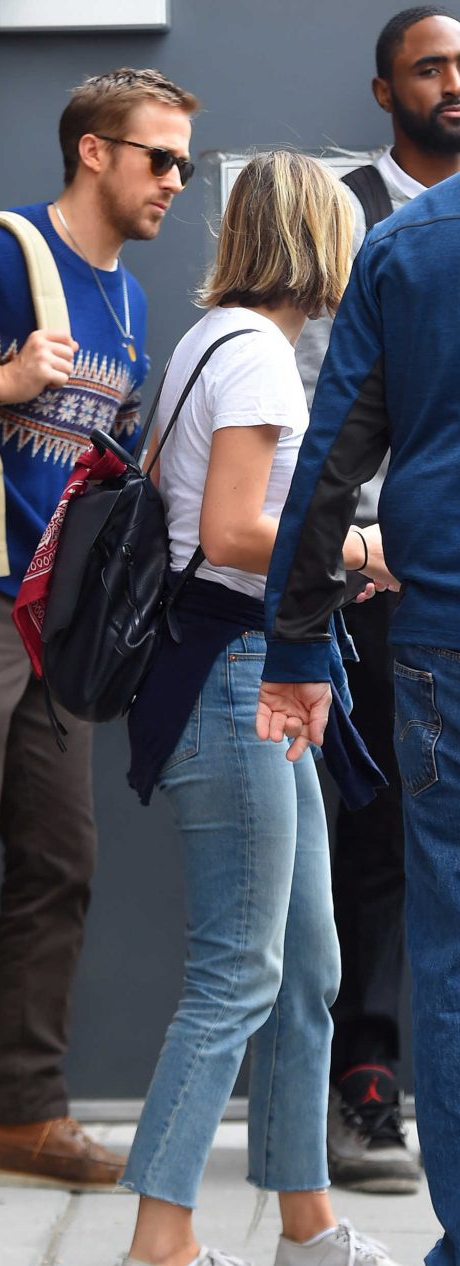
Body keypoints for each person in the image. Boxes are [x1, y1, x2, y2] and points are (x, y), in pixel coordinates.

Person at [118, 151, 401, 1266]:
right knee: (237, 971)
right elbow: (235, 535)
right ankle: (161, 1243)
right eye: (348, 234)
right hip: (235, 677)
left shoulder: (215, 344)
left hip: (246, 670)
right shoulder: (258, 362)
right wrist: (357, 546)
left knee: (308, 966)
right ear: (313, 241)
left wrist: (329, 564)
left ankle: (308, 1227)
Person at [0, 67, 198, 1189]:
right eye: (159, 158)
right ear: (94, 152)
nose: (176, 181)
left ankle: (24, 1117)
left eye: (183, 161)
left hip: (59, 621)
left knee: (63, 862)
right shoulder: (1, 251)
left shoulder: (130, 300)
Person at [256, 159, 460, 1266]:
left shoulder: (410, 244)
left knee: (455, 945)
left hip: (443, 629)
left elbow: (330, 462)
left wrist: (296, 646)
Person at [294, 4, 460, 1195]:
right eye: (432, 67)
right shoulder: (348, 213)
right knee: (382, 852)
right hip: (387, 579)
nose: (455, 83)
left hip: (428, 577)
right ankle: (369, 1085)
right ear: (384, 88)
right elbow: (315, 404)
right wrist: (349, 547)